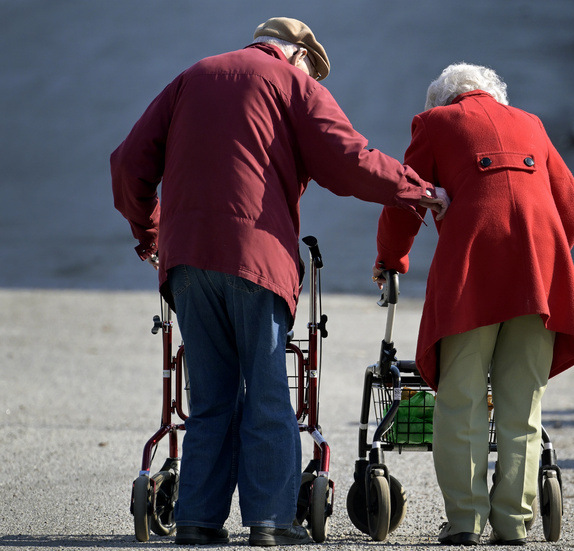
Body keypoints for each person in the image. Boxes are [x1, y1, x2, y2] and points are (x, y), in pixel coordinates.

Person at [111, 17, 448, 547]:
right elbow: (348, 158)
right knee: (269, 390)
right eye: (313, 73)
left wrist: (149, 231)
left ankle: (197, 520)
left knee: (210, 396)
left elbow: (129, 162)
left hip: (186, 262)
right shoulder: (292, 84)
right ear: (297, 58)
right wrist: (416, 188)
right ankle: (270, 520)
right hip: (256, 258)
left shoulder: (192, 76)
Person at [373, 63, 574, 546]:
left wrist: (391, 261)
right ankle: (513, 524)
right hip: (538, 281)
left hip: (472, 277)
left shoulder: (434, 124)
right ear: (495, 95)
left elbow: (405, 199)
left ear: (443, 101)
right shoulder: (530, 124)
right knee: (522, 405)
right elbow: (572, 209)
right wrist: (545, 257)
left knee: (462, 399)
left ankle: (466, 523)